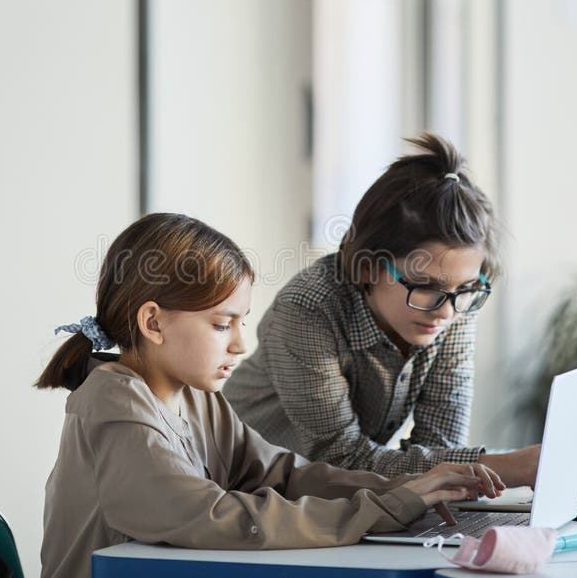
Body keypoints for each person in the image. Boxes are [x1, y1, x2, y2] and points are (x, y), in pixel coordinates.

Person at [37, 213, 504, 578]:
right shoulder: (115, 405)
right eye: (222, 325)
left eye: (240, 322)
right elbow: (211, 516)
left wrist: (404, 489)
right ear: (153, 322)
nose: (240, 344)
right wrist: (382, 510)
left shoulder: (198, 400)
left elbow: (282, 475)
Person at [223, 133, 539, 487]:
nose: (446, 313)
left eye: (465, 288)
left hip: (329, 496)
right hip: (241, 485)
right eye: (425, 286)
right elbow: (341, 459)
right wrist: (506, 467)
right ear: (368, 267)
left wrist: (458, 476)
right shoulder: (307, 309)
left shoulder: (453, 306)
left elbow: (441, 447)